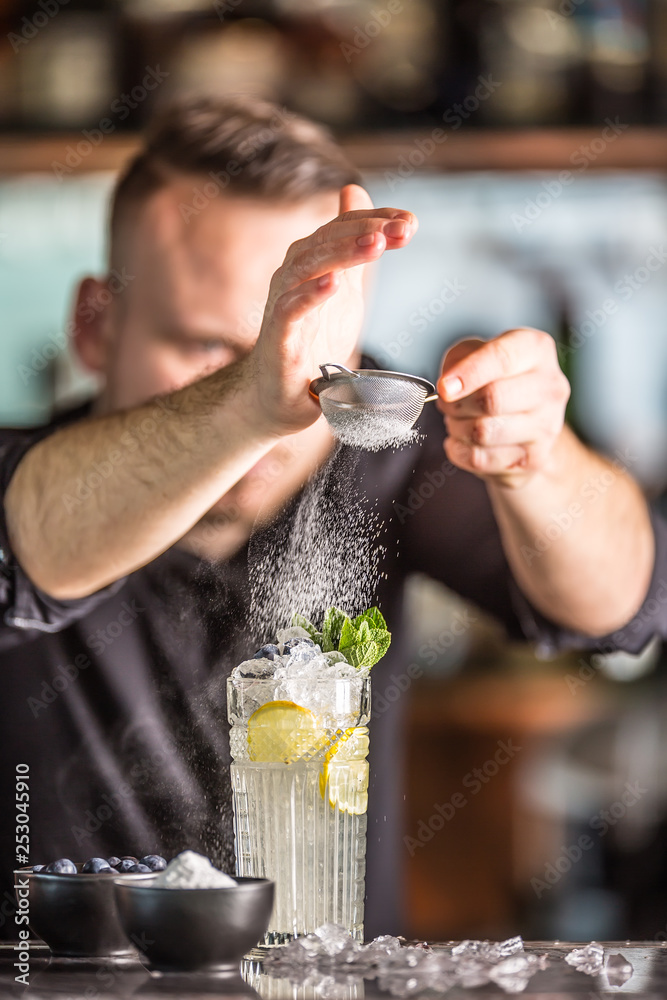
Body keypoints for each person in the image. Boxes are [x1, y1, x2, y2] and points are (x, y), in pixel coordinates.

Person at [0, 95, 661, 938]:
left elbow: (620, 607)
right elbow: (26, 543)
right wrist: (242, 404)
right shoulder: (35, 482)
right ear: (96, 325)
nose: (280, 396)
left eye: (310, 353)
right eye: (208, 348)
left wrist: (537, 458)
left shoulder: (384, 453)